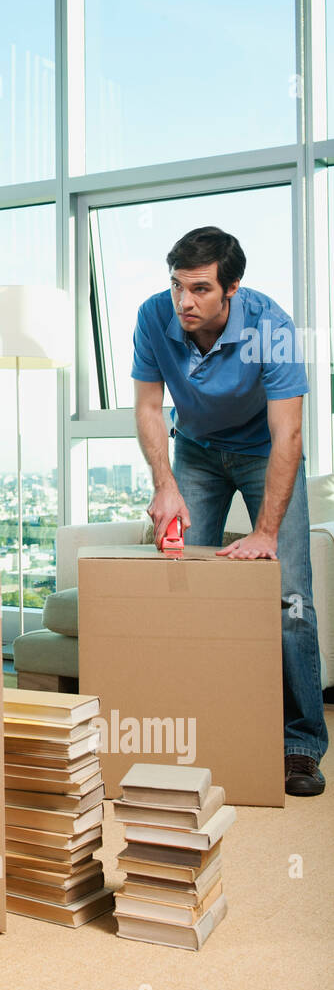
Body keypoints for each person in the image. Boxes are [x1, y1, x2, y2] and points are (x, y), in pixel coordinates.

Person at [132, 225, 327, 797]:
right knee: (175, 583)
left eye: (198, 289)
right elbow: (147, 406)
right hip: (193, 449)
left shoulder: (273, 327)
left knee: (290, 597)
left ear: (232, 289)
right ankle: (187, 727)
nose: (183, 302)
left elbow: (288, 432)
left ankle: (300, 746)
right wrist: (165, 483)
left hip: (265, 452)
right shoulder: (153, 317)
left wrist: (266, 531)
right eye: (176, 287)